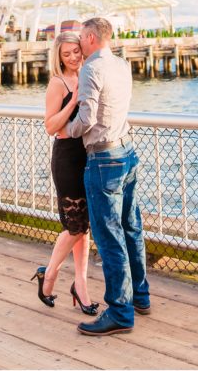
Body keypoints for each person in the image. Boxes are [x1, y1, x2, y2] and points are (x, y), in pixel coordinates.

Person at [63, 17, 150, 336]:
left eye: (81, 40)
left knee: (108, 234)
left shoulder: (90, 69)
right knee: (131, 227)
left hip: (103, 158)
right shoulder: (122, 65)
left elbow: (86, 119)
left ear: (89, 37)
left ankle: (120, 310)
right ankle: (140, 296)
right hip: (127, 151)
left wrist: (64, 130)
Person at [31, 31, 99, 316]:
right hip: (67, 157)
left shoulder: (88, 76)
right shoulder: (57, 83)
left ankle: (80, 286)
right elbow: (50, 126)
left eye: (76, 51)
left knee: (84, 227)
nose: (73, 58)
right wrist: (72, 102)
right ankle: (49, 274)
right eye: (66, 54)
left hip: (90, 154)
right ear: (58, 57)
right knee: (75, 225)